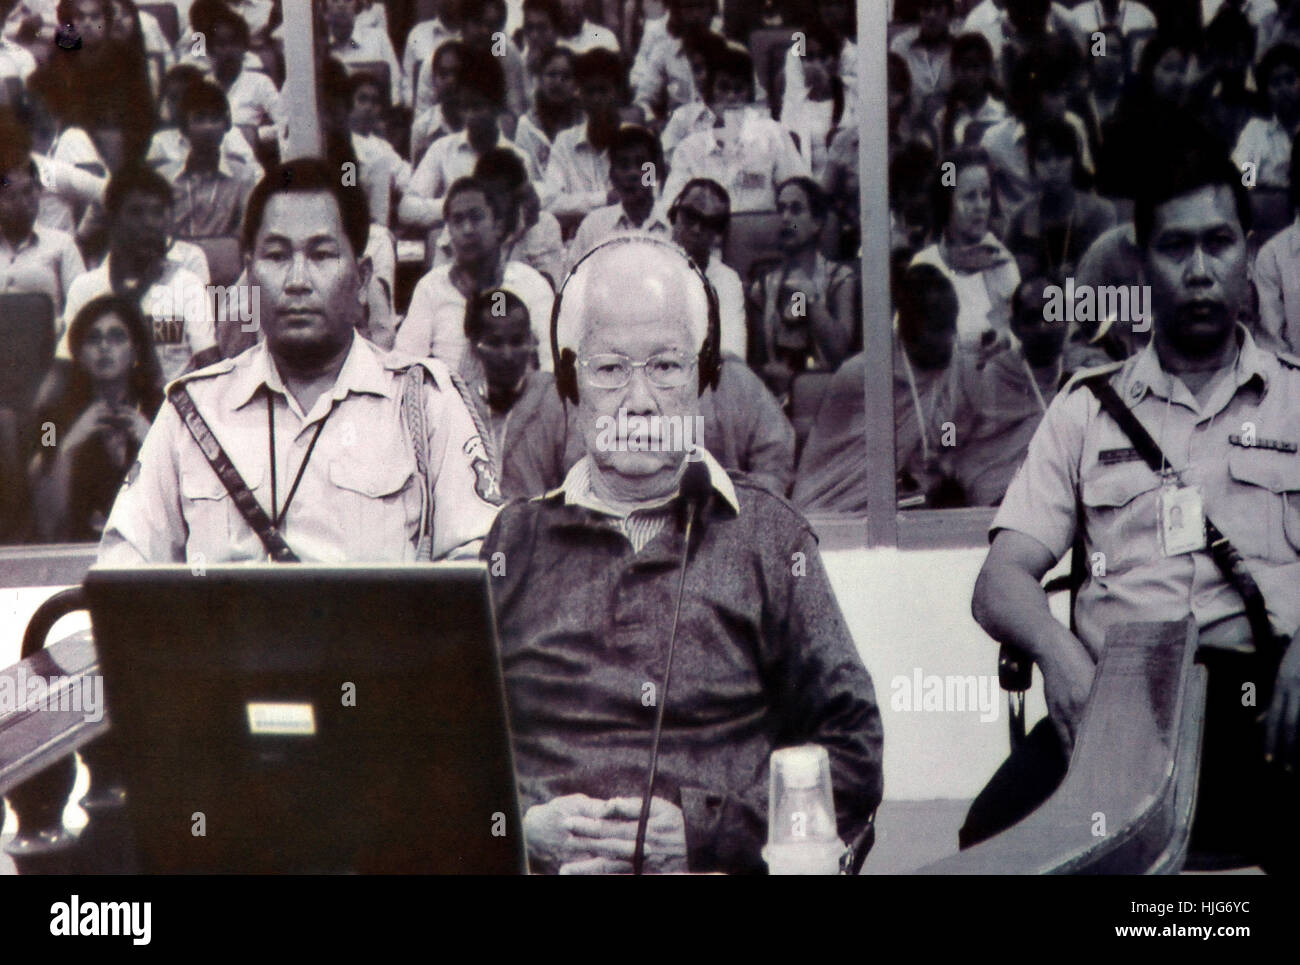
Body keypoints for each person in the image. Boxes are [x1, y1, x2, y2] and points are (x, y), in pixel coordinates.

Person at [481, 236, 882, 873]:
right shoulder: (514, 543)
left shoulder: (771, 540)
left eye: (665, 367)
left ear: (703, 378)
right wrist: (522, 824)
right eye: (610, 370)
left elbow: (853, 755)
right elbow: (451, 749)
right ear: (569, 381)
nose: (639, 401)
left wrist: (707, 831)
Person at [963, 139, 1300, 867]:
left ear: (1247, 251)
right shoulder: (1086, 410)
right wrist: (1058, 654)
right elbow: (999, 579)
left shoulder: (1297, 400)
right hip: (1118, 706)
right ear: (1143, 263)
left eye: (1218, 243)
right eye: (1176, 248)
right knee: (991, 840)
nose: (1201, 271)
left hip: (1270, 702)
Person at [97, 158, 501, 566]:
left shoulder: (425, 405)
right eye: (276, 256)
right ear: (250, 277)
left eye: (322, 255)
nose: (297, 280)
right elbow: (124, 567)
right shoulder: (192, 411)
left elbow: (477, 566)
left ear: (362, 279)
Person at [29, 295, 163, 541]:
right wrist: (68, 447)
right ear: (78, 354)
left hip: (150, 549)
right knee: (39, 462)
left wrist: (152, 443)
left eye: (116, 337)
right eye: (93, 338)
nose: (104, 346)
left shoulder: (162, 411)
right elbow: (48, 526)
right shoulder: (49, 421)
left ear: (135, 351)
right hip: (76, 548)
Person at [932, 275, 1069, 506]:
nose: (1043, 328)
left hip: (1058, 496)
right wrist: (946, 454)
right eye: (1032, 319)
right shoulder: (986, 374)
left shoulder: (1084, 371)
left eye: (1052, 315)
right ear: (1015, 327)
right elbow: (949, 426)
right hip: (998, 497)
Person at [399, 176, 554, 375]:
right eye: (458, 220)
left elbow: (552, 367)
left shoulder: (531, 284)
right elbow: (405, 364)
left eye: (476, 217)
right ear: (449, 230)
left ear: (498, 225)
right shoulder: (431, 288)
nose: (467, 229)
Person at [660, 43, 809, 215]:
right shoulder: (688, 148)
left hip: (760, 234)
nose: (731, 96)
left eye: (739, 89)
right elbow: (670, 208)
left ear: (749, 93)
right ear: (710, 93)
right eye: (723, 88)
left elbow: (800, 192)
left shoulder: (773, 134)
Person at [747, 177, 859, 400]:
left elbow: (839, 354)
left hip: (826, 397)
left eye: (796, 210)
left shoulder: (840, 279)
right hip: (775, 399)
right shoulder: (763, 287)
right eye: (781, 210)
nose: (786, 218)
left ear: (817, 222)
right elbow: (754, 363)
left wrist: (811, 299)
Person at [400, 49, 536, 232]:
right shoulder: (441, 149)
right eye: (465, 108)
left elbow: (525, 216)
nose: (470, 116)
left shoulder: (519, 158)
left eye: (478, 107)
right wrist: (459, 208)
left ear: (497, 108)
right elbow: (407, 208)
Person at [910, 148, 1020, 347]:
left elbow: (1020, 335)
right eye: (970, 197)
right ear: (947, 203)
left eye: (986, 195)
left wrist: (1006, 340)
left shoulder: (1001, 261)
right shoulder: (926, 265)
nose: (981, 206)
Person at [1005, 115, 1116, 279]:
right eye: (1043, 158)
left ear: (1074, 160)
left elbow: (1109, 272)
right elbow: (1010, 279)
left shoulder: (1099, 213)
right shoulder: (1020, 219)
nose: (1053, 166)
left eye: (1061, 156)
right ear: (1032, 164)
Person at [0, 119, 86, 320]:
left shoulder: (61, 244)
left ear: (39, 191)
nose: (22, 202)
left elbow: (82, 309)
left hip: (46, 344)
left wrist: (85, 234)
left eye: (29, 192)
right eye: (10, 196)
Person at [540, 47, 626, 237]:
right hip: (578, 248)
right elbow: (549, 203)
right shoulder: (564, 143)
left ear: (618, 93)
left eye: (603, 91)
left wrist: (576, 206)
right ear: (580, 95)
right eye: (589, 91)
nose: (596, 100)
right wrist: (605, 199)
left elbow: (651, 189)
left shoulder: (642, 140)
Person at [158, 80, 259, 239]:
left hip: (225, 258)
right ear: (184, 127)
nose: (208, 127)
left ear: (226, 124)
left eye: (215, 119)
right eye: (199, 119)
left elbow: (245, 231)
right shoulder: (164, 178)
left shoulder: (242, 176)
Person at [568, 123, 670, 272]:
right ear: (611, 175)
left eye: (642, 164)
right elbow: (573, 282)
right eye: (623, 165)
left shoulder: (672, 223)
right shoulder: (593, 227)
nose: (633, 173)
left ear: (656, 172)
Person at [669, 177, 745, 359]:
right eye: (690, 216)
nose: (696, 229)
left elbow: (732, 353)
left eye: (709, 223)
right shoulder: (645, 263)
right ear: (674, 214)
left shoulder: (727, 280)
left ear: (719, 234)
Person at [1232, 41, 1300, 243]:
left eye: (1290, 80)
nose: (1284, 89)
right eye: (1275, 83)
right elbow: (1245, 181)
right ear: (1266, 90)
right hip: (1268, 227)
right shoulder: (1257, 133)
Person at [1252, 128, 1300, 352]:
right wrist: (1252, 186)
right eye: (1276, 88)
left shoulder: (1286, 133)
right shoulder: (1256, 133)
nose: (1285, 91)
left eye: (1290, 88)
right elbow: (1244, 174)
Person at [513, 45, 582, 178]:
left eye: (566, 77)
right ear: (539, 78)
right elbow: (525, 175)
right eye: (551, 75)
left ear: (576, 84)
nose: (558, 82)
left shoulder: (584, 123)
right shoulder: (527, 125)